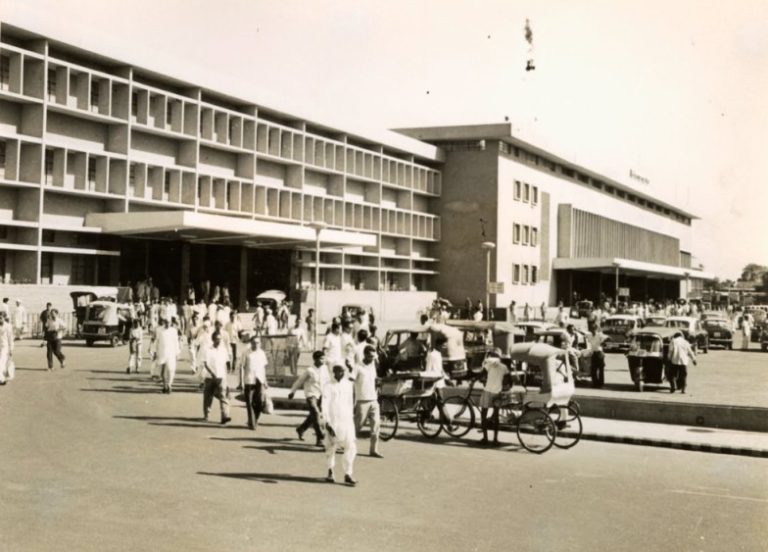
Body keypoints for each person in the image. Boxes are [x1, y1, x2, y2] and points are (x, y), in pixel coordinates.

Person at [322, 364, 357, 486]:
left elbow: (350, 403)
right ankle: (330, 471)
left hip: (346, 421)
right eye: (338, 371)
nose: (341, 374)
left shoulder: (348, 384)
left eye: (343, 371)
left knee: (351, 446)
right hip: (333, 420)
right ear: (334, 372)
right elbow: (325, 404)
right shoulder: (328, 386)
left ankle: (348, 473)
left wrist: (351, 419)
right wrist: (326, 422)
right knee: (331, 447)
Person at [288, 351, 327, 446]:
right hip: (311, 395)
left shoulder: (325, 369)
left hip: (322, 395)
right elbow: (299, 381)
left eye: (324, 358)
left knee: (313, 416)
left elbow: (328, 382)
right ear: (315, 359)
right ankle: (320, 438)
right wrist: (292, 392)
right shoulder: (309, 370)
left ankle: (301, 429)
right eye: (321, 358)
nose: (323, 360)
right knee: (316, 413)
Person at [352, 345, 383, 458]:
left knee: (376, 426)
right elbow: (351, 381)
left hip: (374, 400)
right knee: (357, 426)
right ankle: (349, 445)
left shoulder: (373, 365)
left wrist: (378, 383)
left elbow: (374, 380)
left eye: (373, 356)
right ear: (364, 355)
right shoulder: (357, 367)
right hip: (362, 400)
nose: (372, 358)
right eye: (370, 356)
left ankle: (373, 450)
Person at [201, 331, 231, 423]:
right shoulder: (208, 350)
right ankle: (206, 414)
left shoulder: (223, 350)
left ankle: (224, 416)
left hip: (221, 377)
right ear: (213, 339)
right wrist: (211, 372)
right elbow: (205, 364)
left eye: (220, 339)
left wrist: (226, 377)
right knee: (208, 397)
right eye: (217, 339)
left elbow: (225, 364)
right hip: (210, 377)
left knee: (223, 397)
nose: (219, 341)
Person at [240, 337, 268, 430]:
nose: (256, 344)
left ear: (260, 343)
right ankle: (252, 423)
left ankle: (254, 419)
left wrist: (265, 381)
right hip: (249, 380)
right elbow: (242, 367)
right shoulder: (246, 353)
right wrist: (240, 382)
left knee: (260, 402)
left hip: (259, 380)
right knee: (249, 402)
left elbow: (263, 368)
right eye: (254, 343)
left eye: (257, 343)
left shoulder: (262, 353)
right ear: (251, 343)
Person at [479, 352, 507, 446]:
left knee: (483, 414)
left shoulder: (488, 364)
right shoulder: (503, 367)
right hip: (497, 393)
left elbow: (482, 376)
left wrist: (480, 379)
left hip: (487, 391)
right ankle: (495, 439)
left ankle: (485, 438)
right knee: (496, 416)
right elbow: (508, 380)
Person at [156, 317, 180, 394]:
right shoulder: (159, 330)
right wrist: (155, 352)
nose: (167, 324)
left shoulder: (174, 331)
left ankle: (169, 385)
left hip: (171, 353)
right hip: (162, 352)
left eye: (169, 322)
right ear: (164, 322)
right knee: (162, 372)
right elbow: (157, 341)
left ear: (171, 323)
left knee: (171, 369)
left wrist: (177, 353)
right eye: (166, 322)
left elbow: (176, 342)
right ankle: (164, 386)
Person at [0, 315, 14, 385]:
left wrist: (11, 349)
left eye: (1, 318)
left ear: (4, 318)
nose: (0, 320)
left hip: (5, 347)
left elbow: (10, 338)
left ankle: (1, 379)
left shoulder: (8, 326)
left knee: (1, 362)